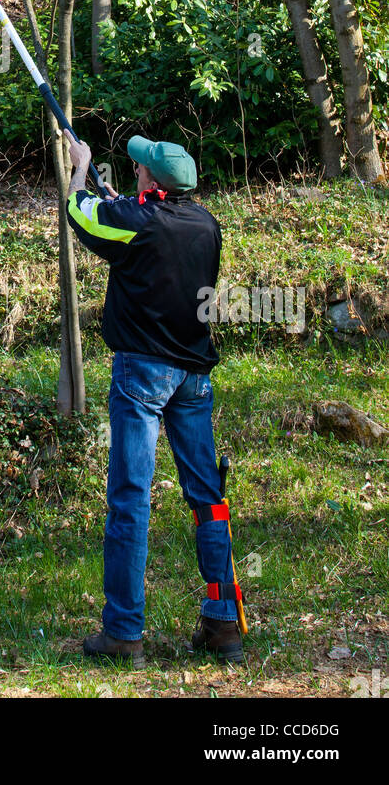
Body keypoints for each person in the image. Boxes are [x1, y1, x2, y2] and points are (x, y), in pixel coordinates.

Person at [65, 132, 244, 667]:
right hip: (194, 377)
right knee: (207, 497)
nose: (137, 169)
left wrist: (81, 167)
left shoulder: (139, 224)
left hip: (143, 372)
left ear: (152, 181)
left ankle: (123, 631)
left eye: (142, 167)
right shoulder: (206, 225)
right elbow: (142, 231)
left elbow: (81, 214)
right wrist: (120, 201)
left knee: (130, 498)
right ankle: (223, 625)